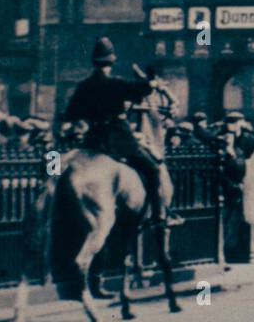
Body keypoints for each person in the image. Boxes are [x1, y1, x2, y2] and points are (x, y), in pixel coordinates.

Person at [62, 37, 176, 229]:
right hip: (119, 140)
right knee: (153, 170)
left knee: (60, 160)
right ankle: (159, 216)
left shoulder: (83, 86)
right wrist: (152, 83)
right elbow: (143, 89)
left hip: (92, 140)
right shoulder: (117, 83)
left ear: (93, 62)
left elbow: (71, 114)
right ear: (112, 62)